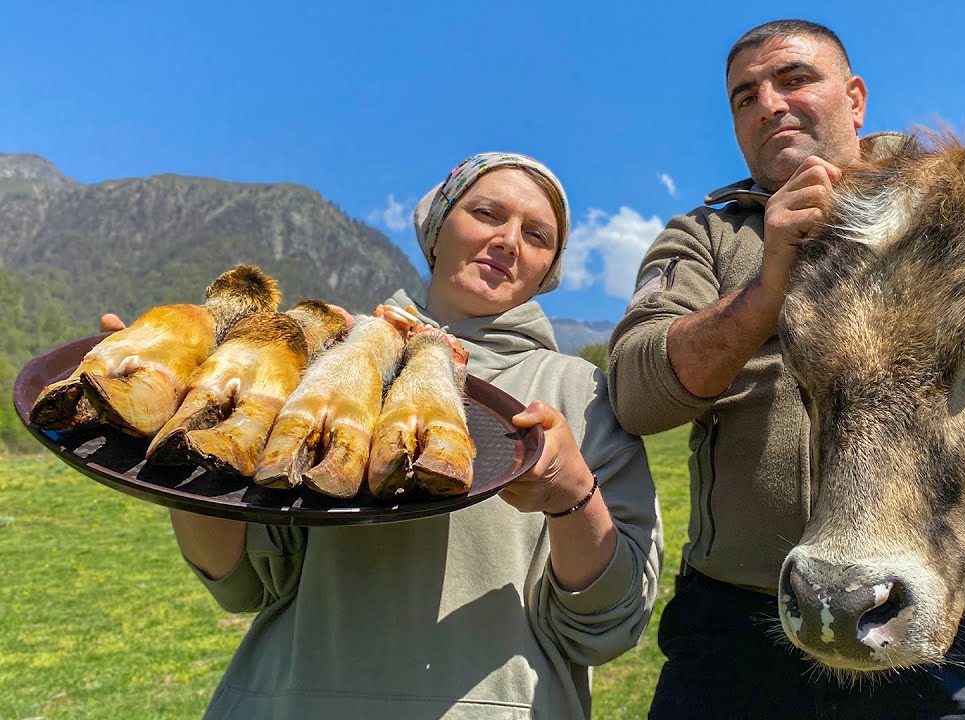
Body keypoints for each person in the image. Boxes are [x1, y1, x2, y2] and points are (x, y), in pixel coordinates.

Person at [608, 20, 965, 720]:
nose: (769, 104)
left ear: (856, 98)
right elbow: (634, 395)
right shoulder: (707, 237)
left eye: (795, 78)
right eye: (744, 97)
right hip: (745, 623)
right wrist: (762, 292)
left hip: (955, 615)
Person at [106, 152, 662, 719]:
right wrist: (168, 430)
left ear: (548, 269)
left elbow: (608, 626)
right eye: (487, 213)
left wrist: (573, 497)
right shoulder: (328, 360)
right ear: (437, 229)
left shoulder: (582, 395)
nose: (509, 240)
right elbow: (244, 584)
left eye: (537, 234)